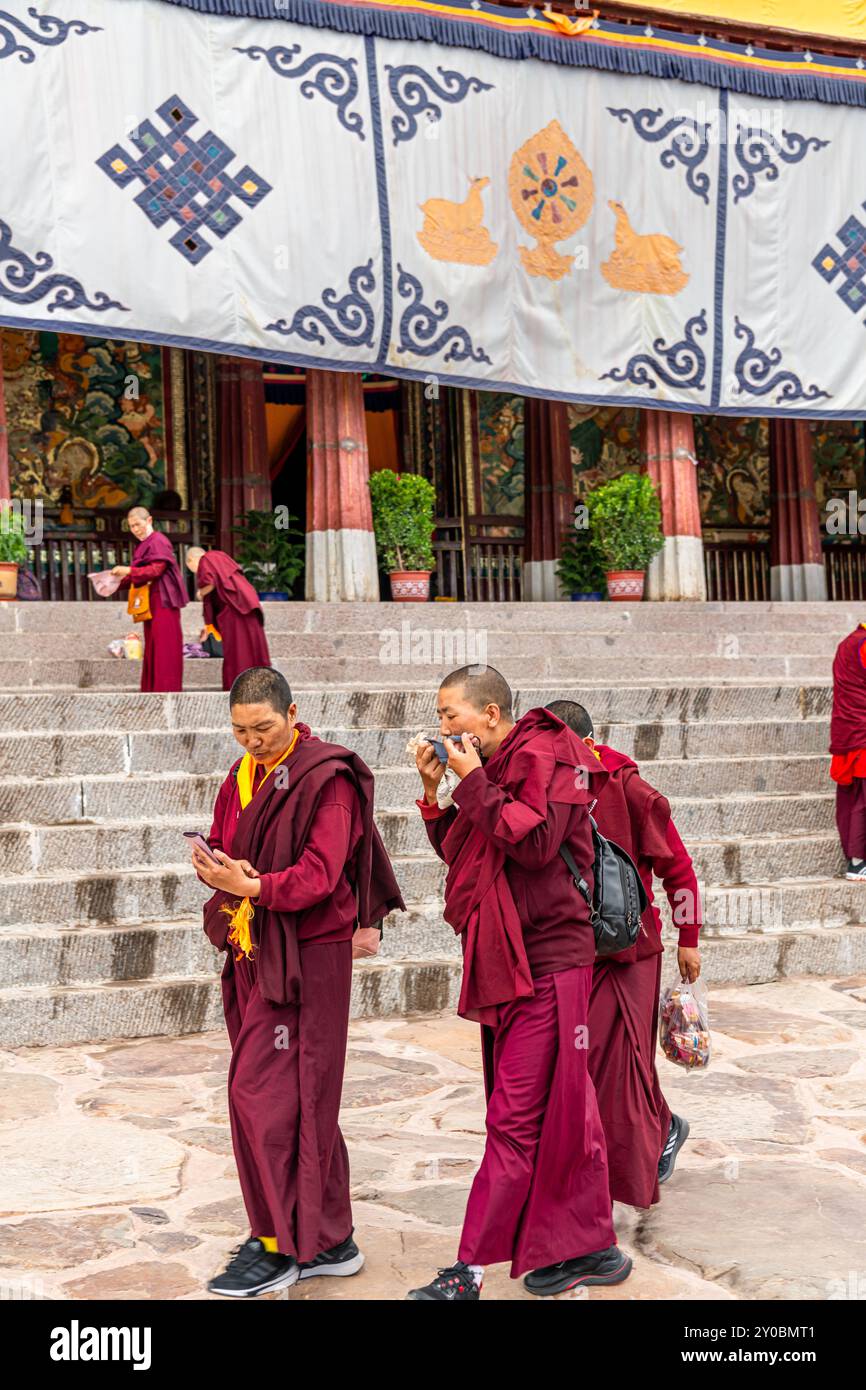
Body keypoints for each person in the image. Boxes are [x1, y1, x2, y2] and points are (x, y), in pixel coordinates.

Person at [406, 667, 631, 1301]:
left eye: (453, 715)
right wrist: (433, 794)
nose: (445, 727)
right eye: (442, 716)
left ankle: (468, 1271)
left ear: (492, 715)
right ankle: (590, 1245)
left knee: (513, 1117)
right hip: (510, 959)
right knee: (555, 1106)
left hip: (552, 963)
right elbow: (468, 851)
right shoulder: (496, 765)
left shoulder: (547, 753)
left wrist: (469, 780)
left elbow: (533, 845)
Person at [192, 666, 404, 1297]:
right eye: (239, 731)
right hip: (254, 944)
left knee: (261, 1094)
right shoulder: (242, 775)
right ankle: (329, 1236)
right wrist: (220, 869)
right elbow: (233, 846)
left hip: (308, 952)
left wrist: (250, 885)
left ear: (292, 714)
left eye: (263, 728)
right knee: (299, 1098)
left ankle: (278, 1246)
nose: (252, 741)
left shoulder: (325, 777)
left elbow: (319, 873)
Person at [545, 700, 701, 1209]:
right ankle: (664, 1123)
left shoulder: (628, 787)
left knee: (627, 1061)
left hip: (632, 947)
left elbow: (677, 867)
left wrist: (690, 936)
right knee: (590, 1061)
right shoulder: (547, 783)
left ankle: (621, 1184)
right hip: (577, 945)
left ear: (590, 744)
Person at [112, 506, 187, 692]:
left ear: (149, 521)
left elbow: (156, 570)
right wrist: (112, 583)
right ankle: (153, 690)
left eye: (138, 524)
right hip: (150, 600)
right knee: (154, 645)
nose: (135, 529)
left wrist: (128, 571)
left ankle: (167, 690)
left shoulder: (158, 540)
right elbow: (138, 574)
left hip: (163, 600)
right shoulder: (143, 544)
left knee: (165, 646)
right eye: (131, 526)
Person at [186, 547, 271, 690]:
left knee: (238, 653)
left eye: (191, 569)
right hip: (247, 605)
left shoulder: (207, 559)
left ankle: (239, 688)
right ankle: (259, 686)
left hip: (234, 611)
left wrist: (200, 593)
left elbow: (210, 583)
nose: (195, 573)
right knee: (253, 649)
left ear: (191, 560)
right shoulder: (221, 557)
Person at [829, 622, 866, 879]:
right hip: (862, 730)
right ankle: (857, 861)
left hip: (849, 728)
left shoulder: (847, 643)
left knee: (853, 797)